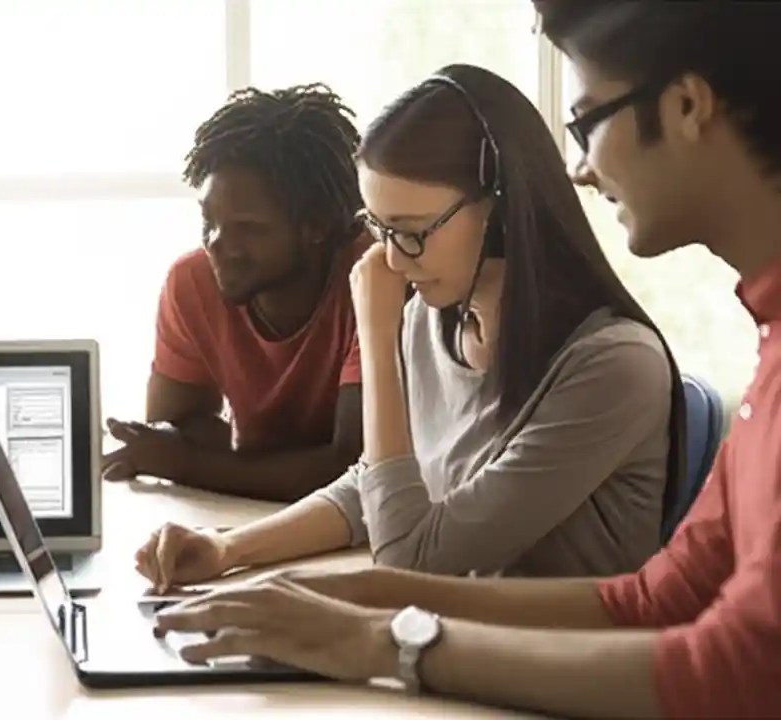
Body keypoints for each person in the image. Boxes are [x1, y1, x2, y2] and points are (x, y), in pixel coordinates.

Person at [150, 3, 781, 718]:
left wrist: (386, 639)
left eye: (586, 123)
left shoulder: (619, 363)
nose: (578, 166)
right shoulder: (770, 350)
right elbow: (656, 599)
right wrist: (292, 584)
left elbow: (739, 671)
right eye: (381, 231)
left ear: (688, 106)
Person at [136, 63, 683, 587]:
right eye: (379, 230)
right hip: (455, 643)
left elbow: (413, 560)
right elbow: (373, 486)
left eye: (412, 231)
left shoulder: (613, 366)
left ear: (501, 210)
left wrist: (375, 334)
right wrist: (229, 548)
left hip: (553, 669)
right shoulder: (436, 319)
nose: (391, 261)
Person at [103, 84, 368, 502]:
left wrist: (184, 463)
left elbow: (354, 468)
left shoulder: (374, 280)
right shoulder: (192, 282)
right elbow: (178, 430)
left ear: (316, 226)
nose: (217, 243)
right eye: (209, 220)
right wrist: (176, 446)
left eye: (248, 228)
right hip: (250, 518)